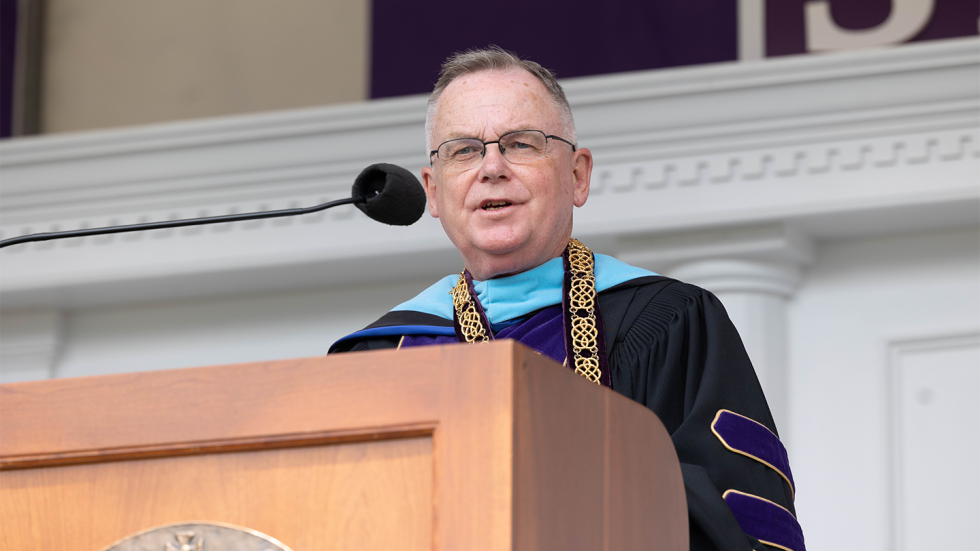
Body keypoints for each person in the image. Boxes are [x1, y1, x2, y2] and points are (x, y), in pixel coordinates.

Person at [330, 46, 805, 551]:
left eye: (521, 143)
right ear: (434, 189)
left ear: (577, 176)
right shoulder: (381, 355)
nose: (491, 167)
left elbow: (742, 517)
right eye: (464, 150)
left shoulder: (670, 321)